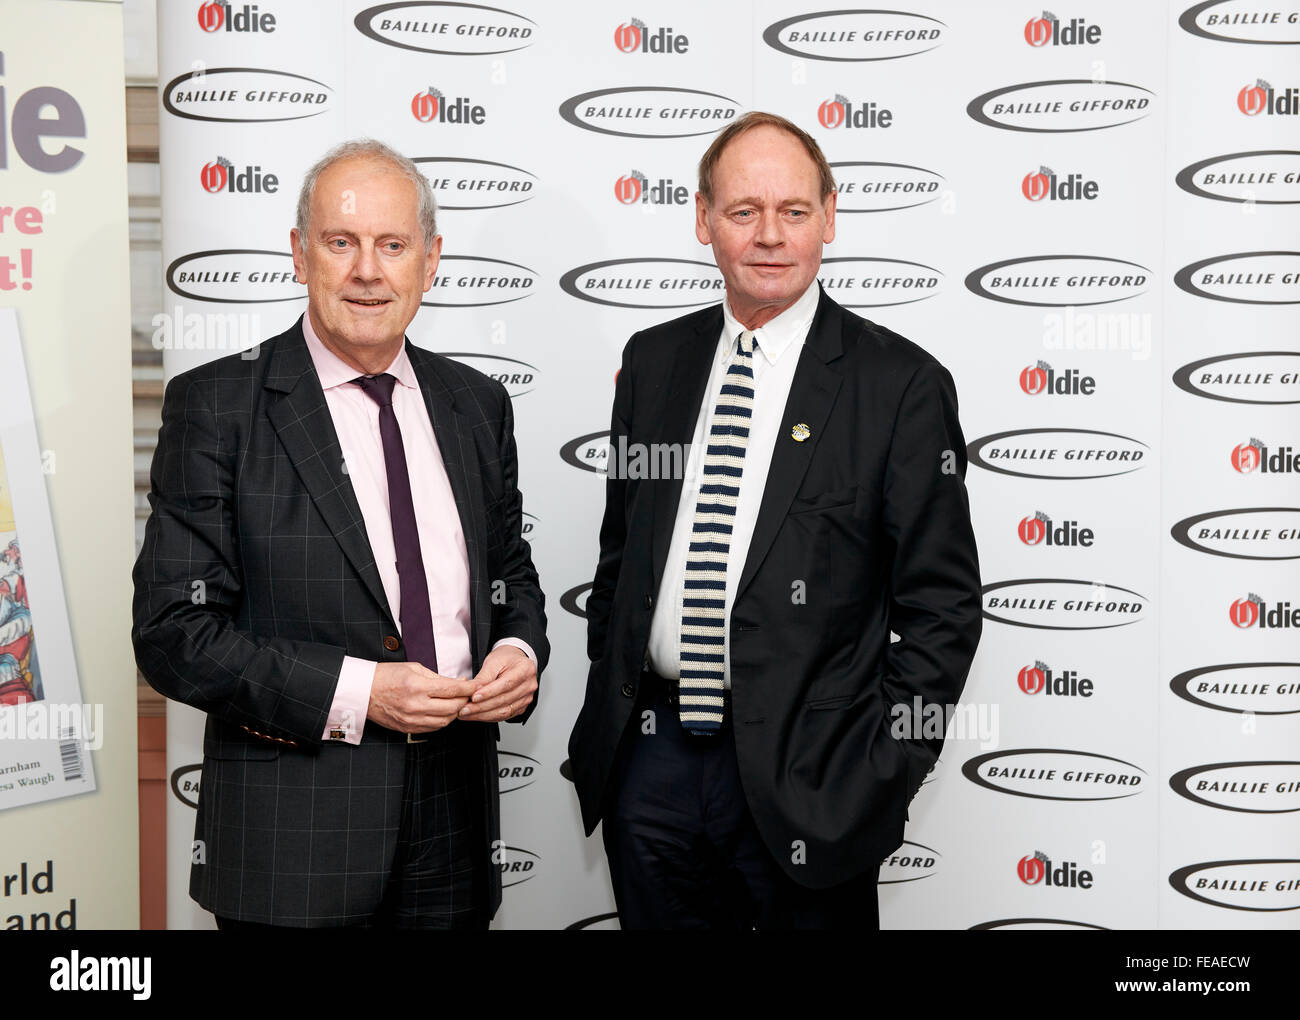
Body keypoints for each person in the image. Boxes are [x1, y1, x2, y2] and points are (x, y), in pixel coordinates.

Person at [567, 112, 982, 929]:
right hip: (651, 766)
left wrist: (882, 771)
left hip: (813, 780)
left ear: (829, 217)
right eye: (743, 211)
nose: (769, 235)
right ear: (703, 219)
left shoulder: (899, 385)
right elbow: (623, 559)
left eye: (793, 210)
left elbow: (943, 607)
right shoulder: (653, 362)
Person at [133, 139, 548, 929]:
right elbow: (174, 634)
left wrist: (519, 649)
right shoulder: (217, 406)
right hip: (294, 845)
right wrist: (363, 692)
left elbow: (510, 571)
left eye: (392, 245)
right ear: (300, 254)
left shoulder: (476, 405)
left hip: (455, 831)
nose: (367, 271)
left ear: (430, 261)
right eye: (340, 242)